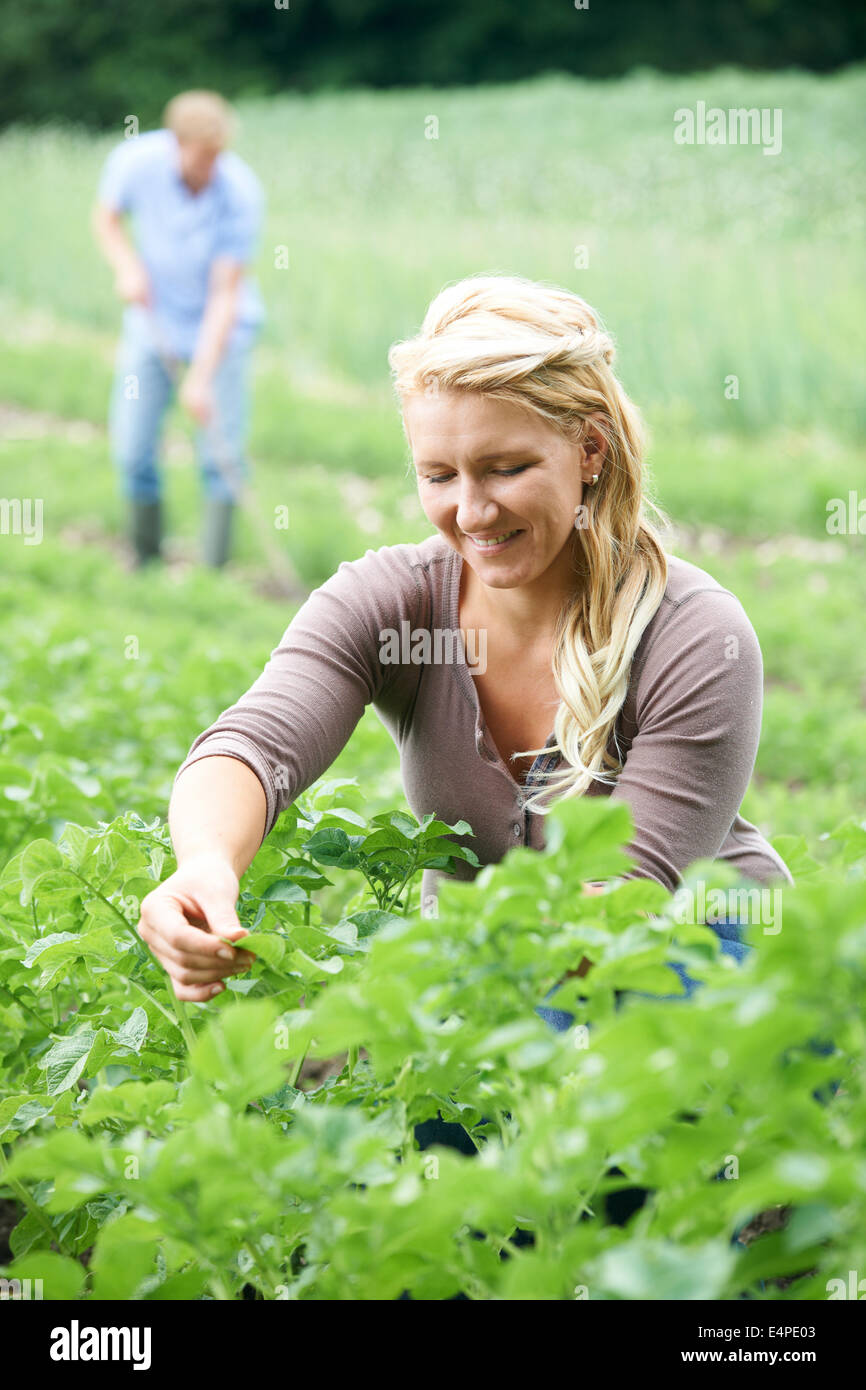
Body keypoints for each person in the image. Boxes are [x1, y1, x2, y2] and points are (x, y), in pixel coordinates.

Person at [137, 272, 793, 1007]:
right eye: (439, 475)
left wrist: (369, 1018)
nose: (473, 512)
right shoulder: (396, 602)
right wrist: (205, 866)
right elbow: (255, 743)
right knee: (435, 1090)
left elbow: (619, 907)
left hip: (701, 957)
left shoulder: (693, 634)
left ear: (590, 450)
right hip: (500, 969)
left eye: (506, 468)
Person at [92, 90, 265, 569]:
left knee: (221, 453)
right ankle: (145, 561)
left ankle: (213, 573)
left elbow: (225, 294)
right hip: (152, 323)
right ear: (177, 142)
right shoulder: (134, 162)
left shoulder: (240, 191)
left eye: (218, 155)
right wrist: (126, 265)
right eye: (203, 155)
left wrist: (201, 377)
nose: (212, 166)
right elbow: (106, 218)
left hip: (221, 331)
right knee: (132, 448)